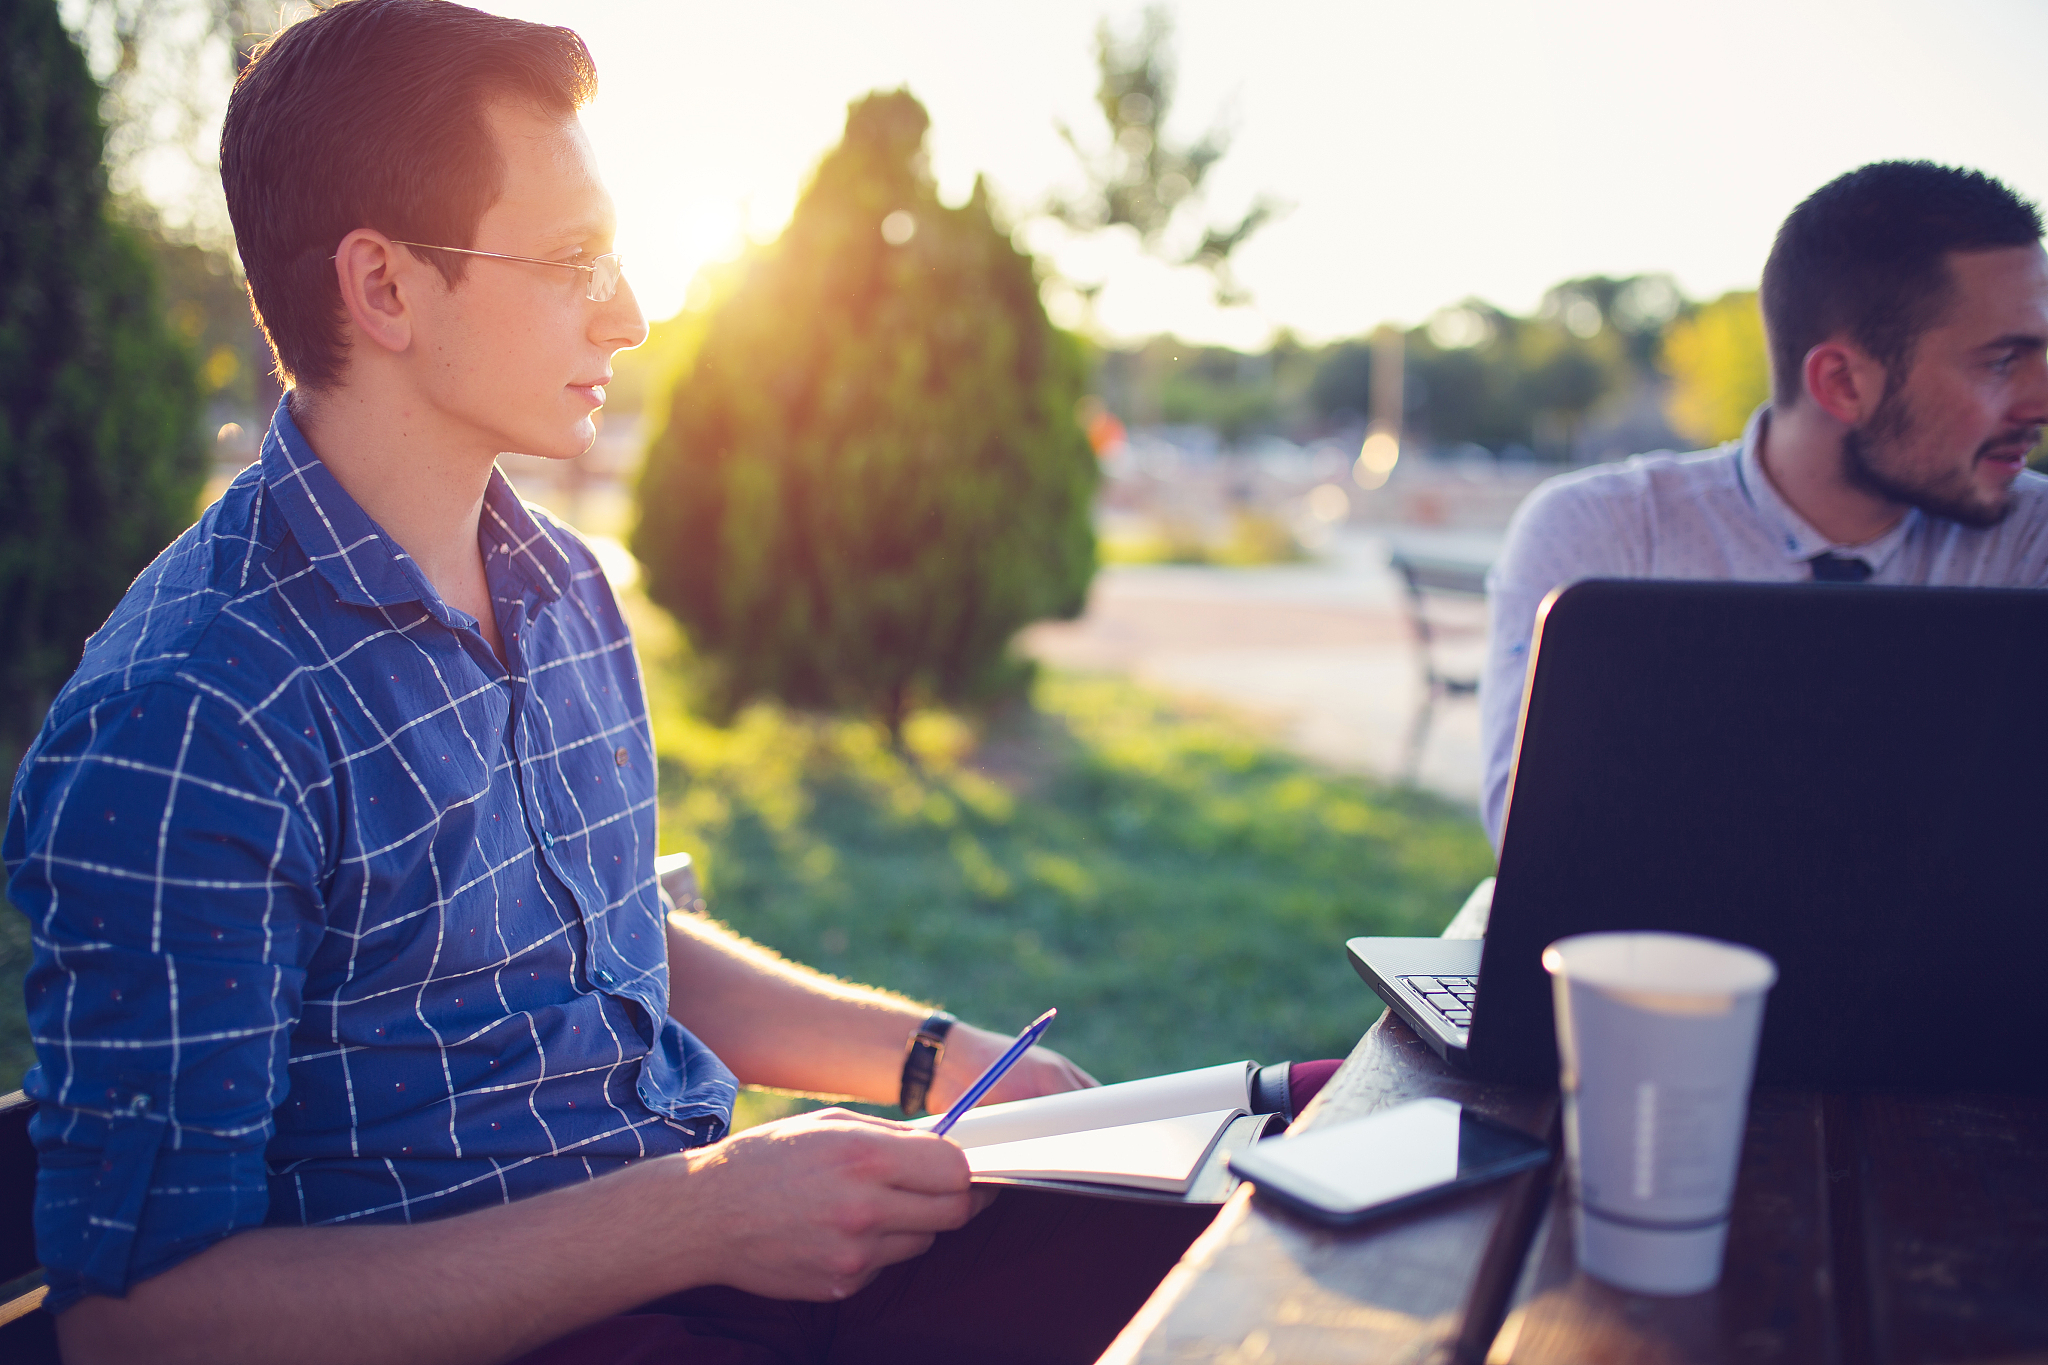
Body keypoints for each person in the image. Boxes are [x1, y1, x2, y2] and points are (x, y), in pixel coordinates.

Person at [3, 4, 1335, 1362]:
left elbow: (612, 939)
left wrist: (939, 1058)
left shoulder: (563, 588)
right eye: (574, 261)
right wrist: (697, 1219)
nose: (631, 317)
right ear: (385, 288)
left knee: (1272, 1191)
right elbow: (142, 1323)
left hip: (713, 1274)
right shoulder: (190, 717)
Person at [1479, 161, 2048, 850]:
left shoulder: (2032, 541)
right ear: (1840, 382)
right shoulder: (1606, 534)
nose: (2040, 402)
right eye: (2001, 362)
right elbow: (1538, 836)